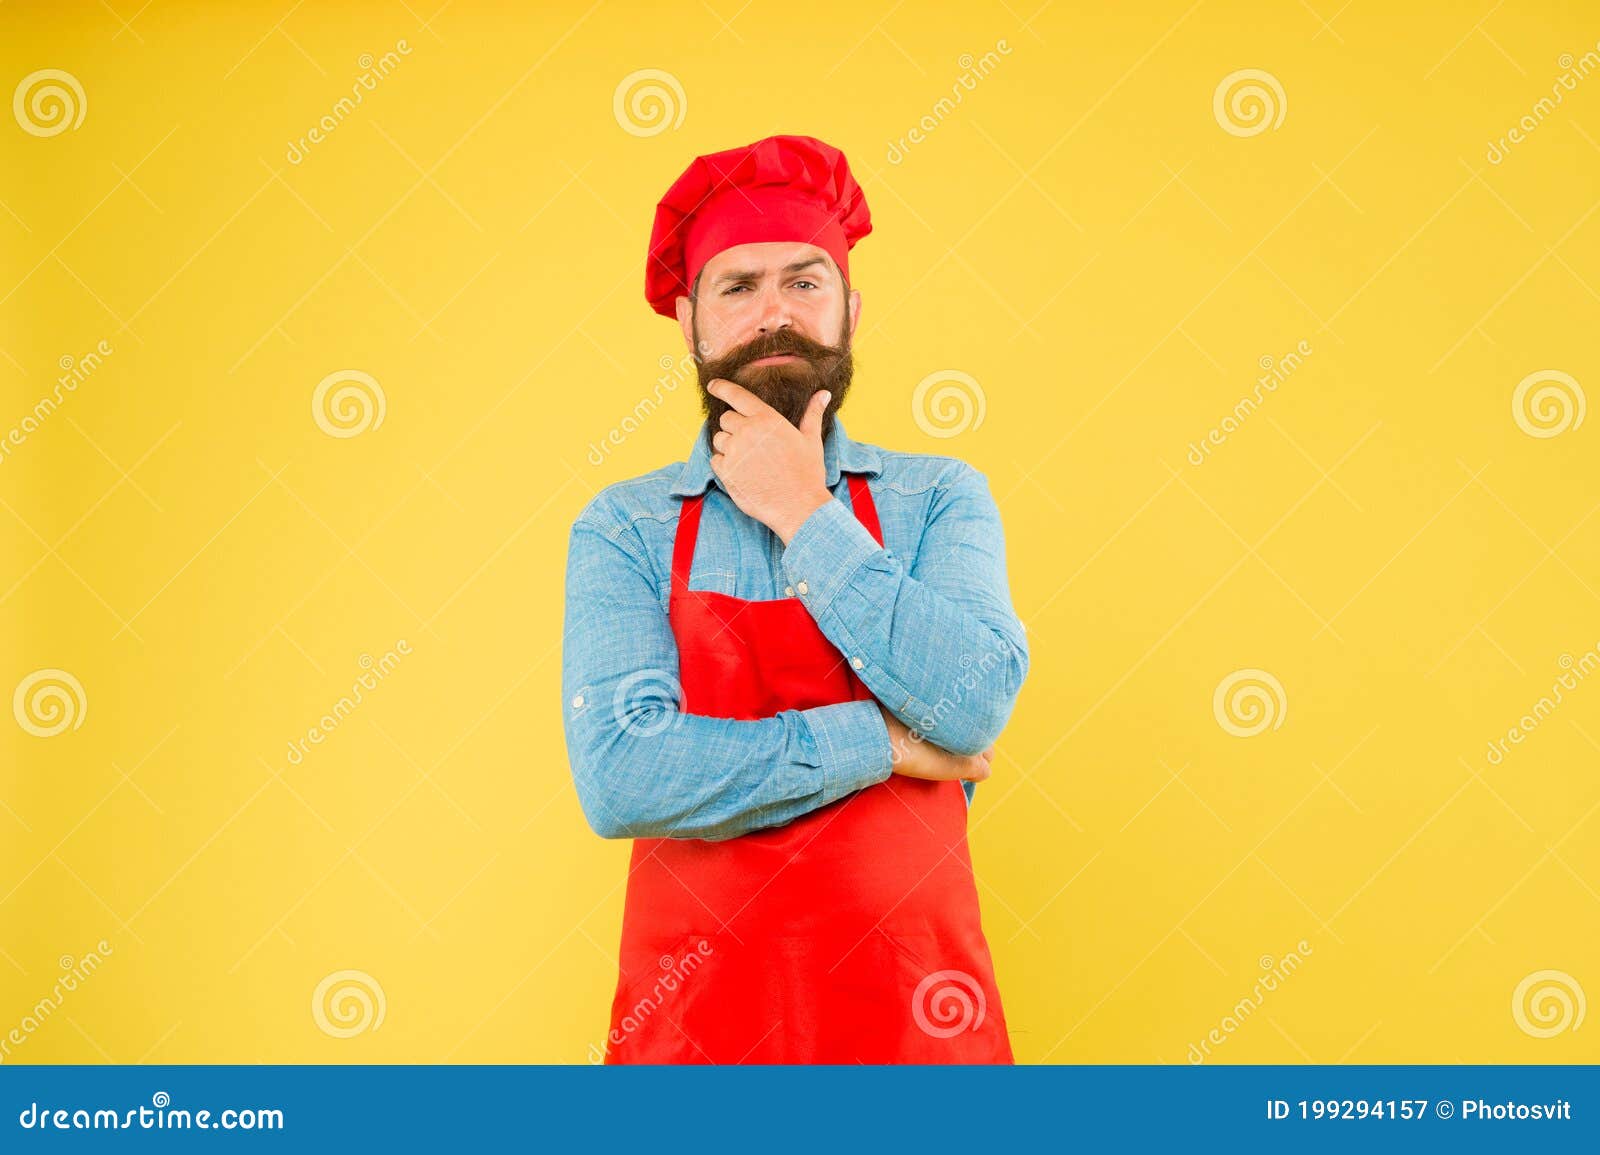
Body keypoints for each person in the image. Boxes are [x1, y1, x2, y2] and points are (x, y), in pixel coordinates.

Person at [561, 134, 1029, 1063]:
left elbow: (974, 703)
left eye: (804, 282)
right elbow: (622, 775)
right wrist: (888, 743)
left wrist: (804, 509)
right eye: (738, 287)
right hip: (696, 1030)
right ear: (690, 322)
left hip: (915, 1021)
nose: (774, 312)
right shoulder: (627, 526)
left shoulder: (938, 495)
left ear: (850, 309)